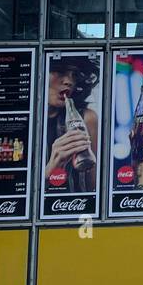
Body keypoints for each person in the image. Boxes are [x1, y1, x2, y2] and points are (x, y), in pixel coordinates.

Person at [44, 56, 101, 191]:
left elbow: (92, 187)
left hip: (73, 207)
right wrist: (51, 170)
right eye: (60, 71)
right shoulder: (19, 120)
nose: (69, 81)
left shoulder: (86, 118)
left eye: (74, 75)